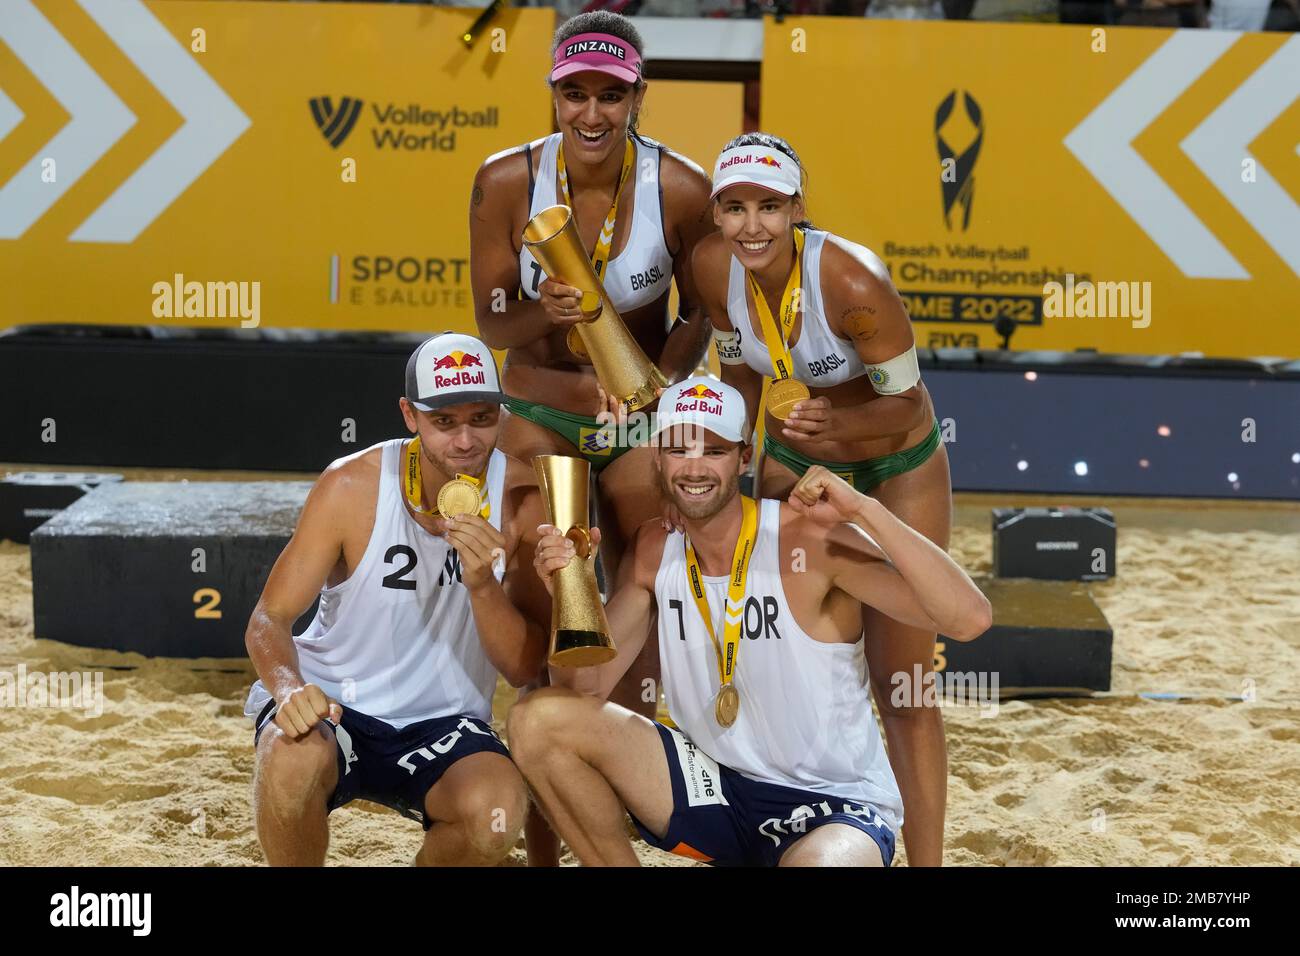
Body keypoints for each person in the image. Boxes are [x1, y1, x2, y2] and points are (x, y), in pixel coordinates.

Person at [508, 377, 990, 866]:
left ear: (743, 457)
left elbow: (969, 618)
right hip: (716, 789)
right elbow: (582, 688)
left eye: (713, 451)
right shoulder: (654, 550)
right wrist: (573, 596)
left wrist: (864, 511)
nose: (694, 467)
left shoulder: (810, 540)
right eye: (679, 449)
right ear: (658, 458)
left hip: (833, 805)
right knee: (537, 719)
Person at [691, 133, 956, 865]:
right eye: (736, 206)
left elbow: (907, 407)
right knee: (786, 660)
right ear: (716, 213)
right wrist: (722, 434)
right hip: (795, 466)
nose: (752, 225)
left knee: (901, 684)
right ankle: (796, 828)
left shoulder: (852, 281)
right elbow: (744, 374)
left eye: (769, 207)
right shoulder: (714, 269)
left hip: (896, 468)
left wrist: (835, 421)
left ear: (797, 209)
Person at [243, 332, 550, 866]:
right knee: (289, 763)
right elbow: (269, 617)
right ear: (410, 415)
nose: (464, 442)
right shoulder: (351, 486)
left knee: (496, 813)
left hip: (445, 718)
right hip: (337, 701)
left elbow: (526, 668)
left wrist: (481, 585)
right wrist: (289, 689)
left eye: (481, 419)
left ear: (501, 415)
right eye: (444, 422)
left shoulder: (523, 497)